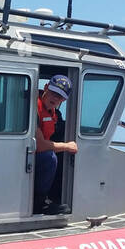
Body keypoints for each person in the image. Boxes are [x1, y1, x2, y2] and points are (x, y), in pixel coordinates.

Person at [34, 74, 78, 215]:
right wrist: (67, 146)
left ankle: (55, 198)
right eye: (52, 93)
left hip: (34, 155)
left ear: (64, 99)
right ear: (46, 88)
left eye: (59, 97)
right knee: (49, 158)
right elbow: (40, 145)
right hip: (24, 155)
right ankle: (38, 203)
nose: (54, 98)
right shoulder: (33, 107)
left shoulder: (54, 113)